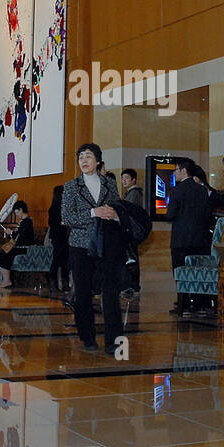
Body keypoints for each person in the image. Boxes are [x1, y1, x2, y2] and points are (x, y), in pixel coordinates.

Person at [61, 143, 125, 353]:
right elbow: (66, 217)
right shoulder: (71, 186)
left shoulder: (109, 184)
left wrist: (115, 215)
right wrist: (93, 213)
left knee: (110, 292)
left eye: (88, 157)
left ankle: (113, 342)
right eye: (81, 157)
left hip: (106, 244)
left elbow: (119, 208)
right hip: (80, 246)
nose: (84, 161)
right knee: (83, 291)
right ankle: (87, 337)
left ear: (98, 161)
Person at [167, 157, 213, 316]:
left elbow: (170, 214)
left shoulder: (177, 190)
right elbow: (208, 214)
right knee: (200, 272)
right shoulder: (201, 190)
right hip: (201, 239)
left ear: (183, 171)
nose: (174, 172)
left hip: (181, 240)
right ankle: (201, 305)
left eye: (175, 170)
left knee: (181, 273)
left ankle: (183, 305)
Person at [0, 201, 34, 280]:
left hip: (23, 247)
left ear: (20, 210)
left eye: (16, 212)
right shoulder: (25, 222)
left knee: (3, 256)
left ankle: (6, 280)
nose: (16, 214)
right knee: (2, 255)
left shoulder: (26, 222)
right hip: (20, 246)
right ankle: (5, 279)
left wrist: (11, 232)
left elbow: (21, 236)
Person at [118, 169, 143, 294]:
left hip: (131, 231)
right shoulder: (129, 193)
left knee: (131, 257)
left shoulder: (134, 194)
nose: (124, 181)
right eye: (122, 178)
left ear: (133, 179)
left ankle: (133, 285)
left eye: (126, 178)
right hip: (129, 230)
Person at [47, 184, 70, 294]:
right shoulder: (54, 208)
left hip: (66, 237)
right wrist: (62, 223)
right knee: (57, 260)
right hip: (58, 237)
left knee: (66, 261)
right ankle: (52, 283)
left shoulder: (66, 207)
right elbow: (52, 223)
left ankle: (65, 283)